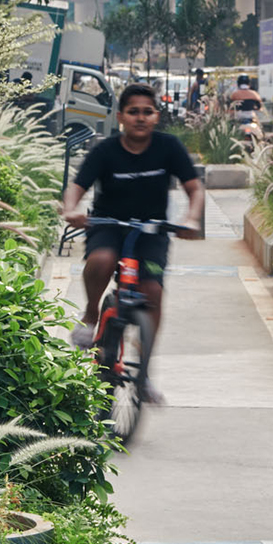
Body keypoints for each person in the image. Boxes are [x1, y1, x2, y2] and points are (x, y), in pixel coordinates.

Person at [58, 84, 206, 379]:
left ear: (156, 116)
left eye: (147, 112)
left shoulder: (168, 147)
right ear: (120, 117)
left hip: (151, 232)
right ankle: (91, 314)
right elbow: (77, 186)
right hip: (108, 226)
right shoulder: (105, 151)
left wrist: (191, 219)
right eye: (133, 112)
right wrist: (72, 210)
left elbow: (194, 188)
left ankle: (145, 371)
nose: (140, 118)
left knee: (153, 291)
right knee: (102, 260)